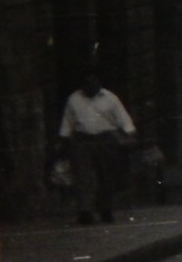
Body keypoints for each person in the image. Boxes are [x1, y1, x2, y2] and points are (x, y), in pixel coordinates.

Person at [58, 71, 136, 225]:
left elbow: (122, 117)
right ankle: (85, 211)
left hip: (105, 139)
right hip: (83, 140)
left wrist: (129, 132)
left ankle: (105, 209)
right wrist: (64, 138)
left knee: (106, 176)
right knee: (83, 177)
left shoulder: (110, 98)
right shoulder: (74, 99)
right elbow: (68, 121)